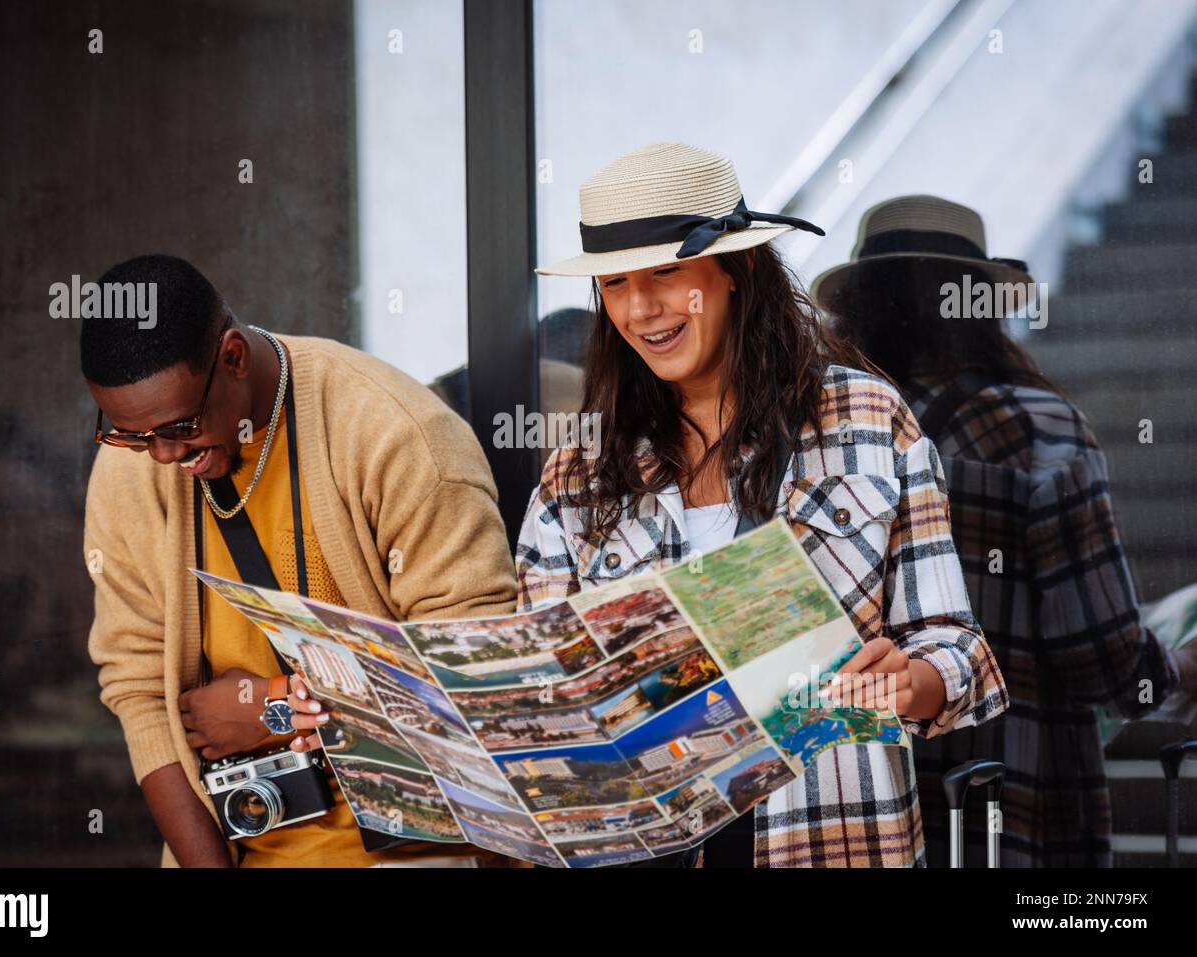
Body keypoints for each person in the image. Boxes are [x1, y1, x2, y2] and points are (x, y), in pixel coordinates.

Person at [516, 142, 1009, 867]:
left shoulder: (868, 420)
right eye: (615, 282)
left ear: (736, 268)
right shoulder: (575, 477)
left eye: (664, 271)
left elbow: (956, 643)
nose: (641, 307)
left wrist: (913, 682)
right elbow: (539, 696)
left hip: (829, 841)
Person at [81, 254, 518, 867]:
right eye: (132, 434)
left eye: (182, 426)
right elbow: (138, 690)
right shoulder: (133, 463)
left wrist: (276, 706)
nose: (161, 455)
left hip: (418, 851)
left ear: (233, 357)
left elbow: (477, 678)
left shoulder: (396, 434)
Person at [813, 195, 1197, 866]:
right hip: (1011, 814)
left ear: (857, 310)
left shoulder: (820, 437)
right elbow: (1099, 652)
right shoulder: (1037, 430)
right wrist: (1177, 670)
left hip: (855, 818)